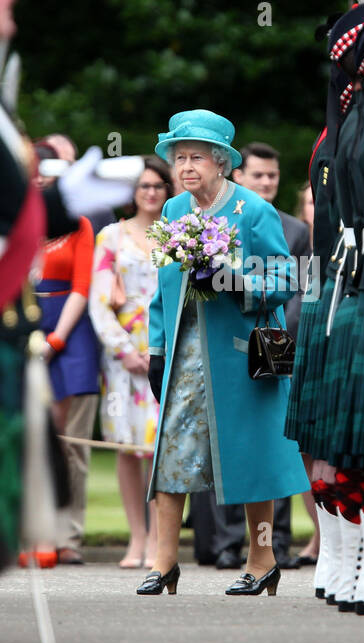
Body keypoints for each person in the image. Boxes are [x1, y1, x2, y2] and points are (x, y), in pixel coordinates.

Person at [139, 110, 309, 596]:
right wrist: (156, 349)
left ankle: (262, 560)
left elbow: (283, 280)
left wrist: (235, 282)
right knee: (171, 453)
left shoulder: (253, 211)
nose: (185, 166)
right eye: (179, 157)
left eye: (195, 157)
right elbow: (162, 289)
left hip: (240, 358)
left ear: (220, 162)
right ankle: (164, 562)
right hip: (184, 359)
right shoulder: (173, 212)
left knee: (251, 459)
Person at [188, 142, 312, 571]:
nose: (266, 182)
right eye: (258, 175)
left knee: (268, 443)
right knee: (219, 443)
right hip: (214, 345)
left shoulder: (296, 228)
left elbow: (297, 286)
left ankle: (274, 543)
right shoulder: (203, 218)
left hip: (272, 340)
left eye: (272, 176)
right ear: (238, 176)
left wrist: (282, 332)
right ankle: (223, 543)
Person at [89, 157, 171, 567]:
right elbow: (99, 304)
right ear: (133, 191)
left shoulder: (179, 233)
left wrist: (162, 348)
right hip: (124, 356)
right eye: (144, 185)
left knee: (162, 446)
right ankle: (135, 538)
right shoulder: (111, 237)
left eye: (158, 185)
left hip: (168, 350)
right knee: (126, 446)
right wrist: (125, 350)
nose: (151, 192)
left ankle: (160, 538)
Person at [34, 193, 101, 567]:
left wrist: (57, 338)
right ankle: (32, 533)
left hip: (71, 331)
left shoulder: (80, 223)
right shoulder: (14, 217)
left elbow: (82, 285)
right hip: (25, 323)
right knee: (28, 438)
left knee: (71, 443)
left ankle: (68, 535)